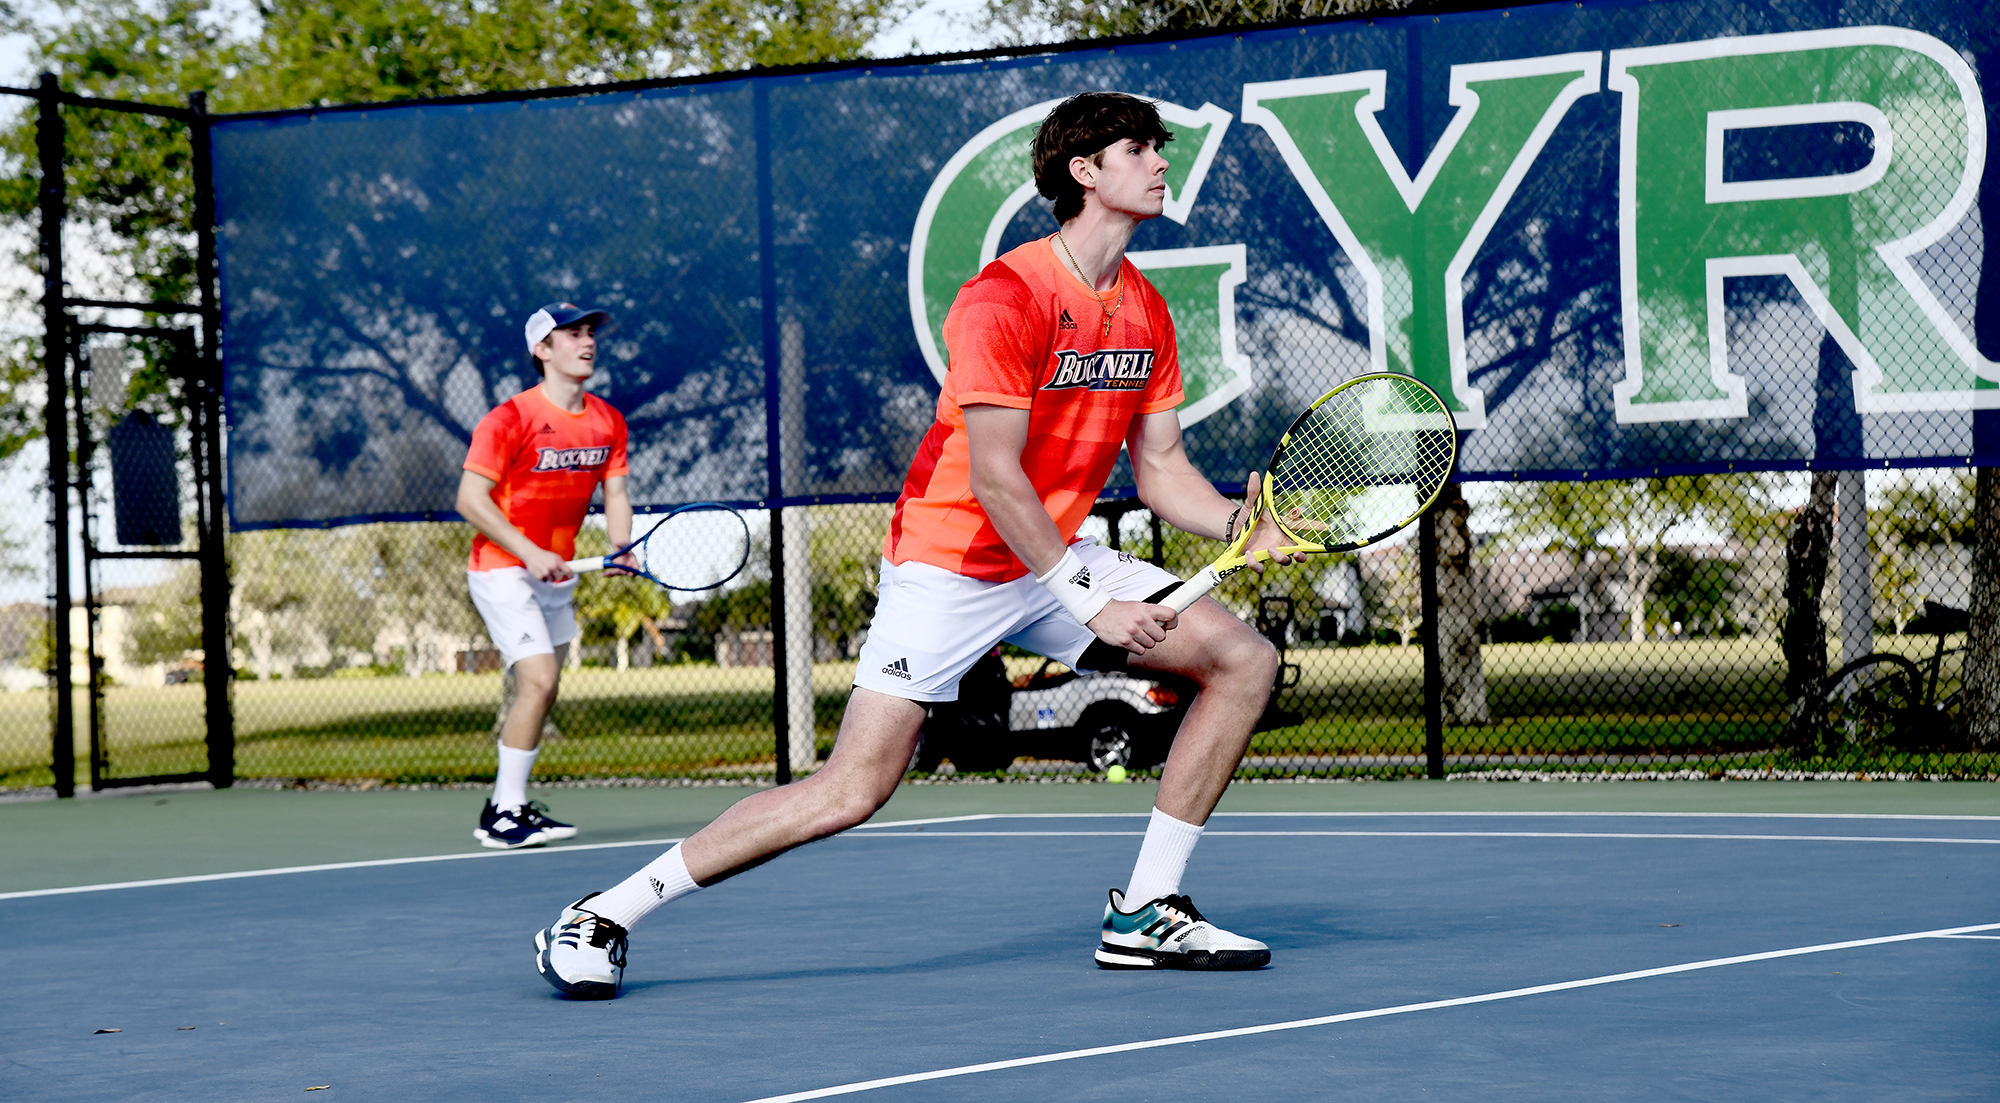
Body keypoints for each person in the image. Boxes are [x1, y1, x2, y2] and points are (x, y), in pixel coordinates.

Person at [533, 93, 1299, 998]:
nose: (1161, 164)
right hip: (952, 562)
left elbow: (1164, 471)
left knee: (1243, 659)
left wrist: (1245, 524)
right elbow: (995, 475)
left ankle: (1144, 909)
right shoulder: (1004, 299)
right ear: (1085, 172)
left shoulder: (1146, 312)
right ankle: (605, 911)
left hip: (1051, 552)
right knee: (851, 790)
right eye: (1140, 149)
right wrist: (1093, 601)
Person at [459, 302, 633, 850]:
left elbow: (617, 493)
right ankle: (503, 814)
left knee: (544, 687)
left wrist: (623, 547)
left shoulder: (608, 420)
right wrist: (529, 551)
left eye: (589, 334)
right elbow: (470, 499)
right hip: (501, 568)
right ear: (542, 350)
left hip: (558, 574)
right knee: (539, 680)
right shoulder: (508, 420)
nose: (586, 342)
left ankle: (506, 803)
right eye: (571, 334)